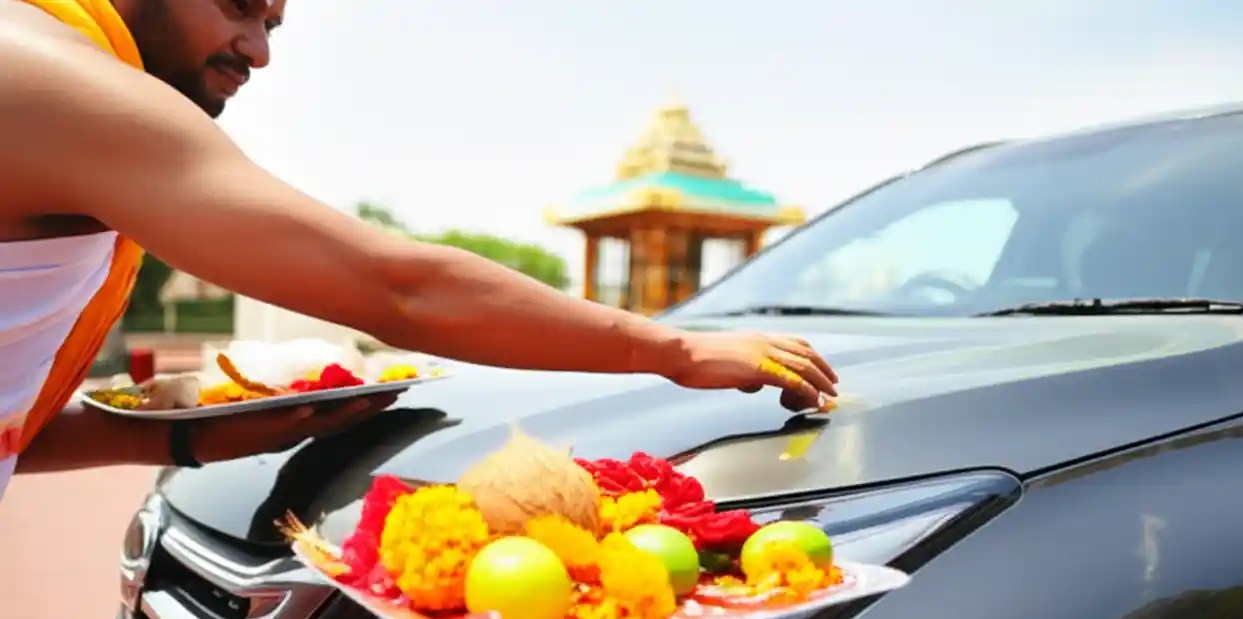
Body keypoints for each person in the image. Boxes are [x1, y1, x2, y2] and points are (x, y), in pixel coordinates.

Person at [0, 0, 839, 497]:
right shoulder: (44, 72)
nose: (258, 48)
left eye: (272, 21)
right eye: (237, 2)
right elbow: (396, 290)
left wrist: (177, 441)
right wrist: (674, 347)